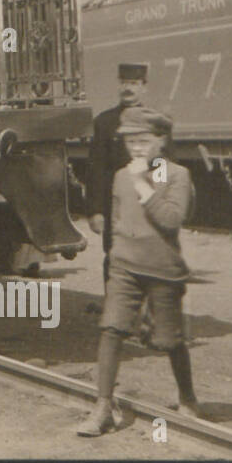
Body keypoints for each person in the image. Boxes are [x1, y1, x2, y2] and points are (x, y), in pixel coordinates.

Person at [77, 106, 199, 436]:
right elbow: (116, 222)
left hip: (163, 271)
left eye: (143, 141)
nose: (136, 148)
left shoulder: (176, 175)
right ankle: (102, 406)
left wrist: (143, 186)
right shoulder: (120, 176)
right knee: (111, 329)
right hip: (125, 268)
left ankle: (188, 397)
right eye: (130, 142)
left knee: (169, 340)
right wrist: (116, 255)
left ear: (161, 141)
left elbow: (172, 219)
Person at [86, 62, 149, 290]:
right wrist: (95, 211)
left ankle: (141, 313)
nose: (128, 88)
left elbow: (162, 162)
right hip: (116, 205)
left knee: (147, 258)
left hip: (147, 204)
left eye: (133, 83)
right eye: (124, 83)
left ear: (144, 87)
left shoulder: (154, 122)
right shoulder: (105, 123)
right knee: (115, 256)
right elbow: (96, 170)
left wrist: (160, 194)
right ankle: (115, 310)